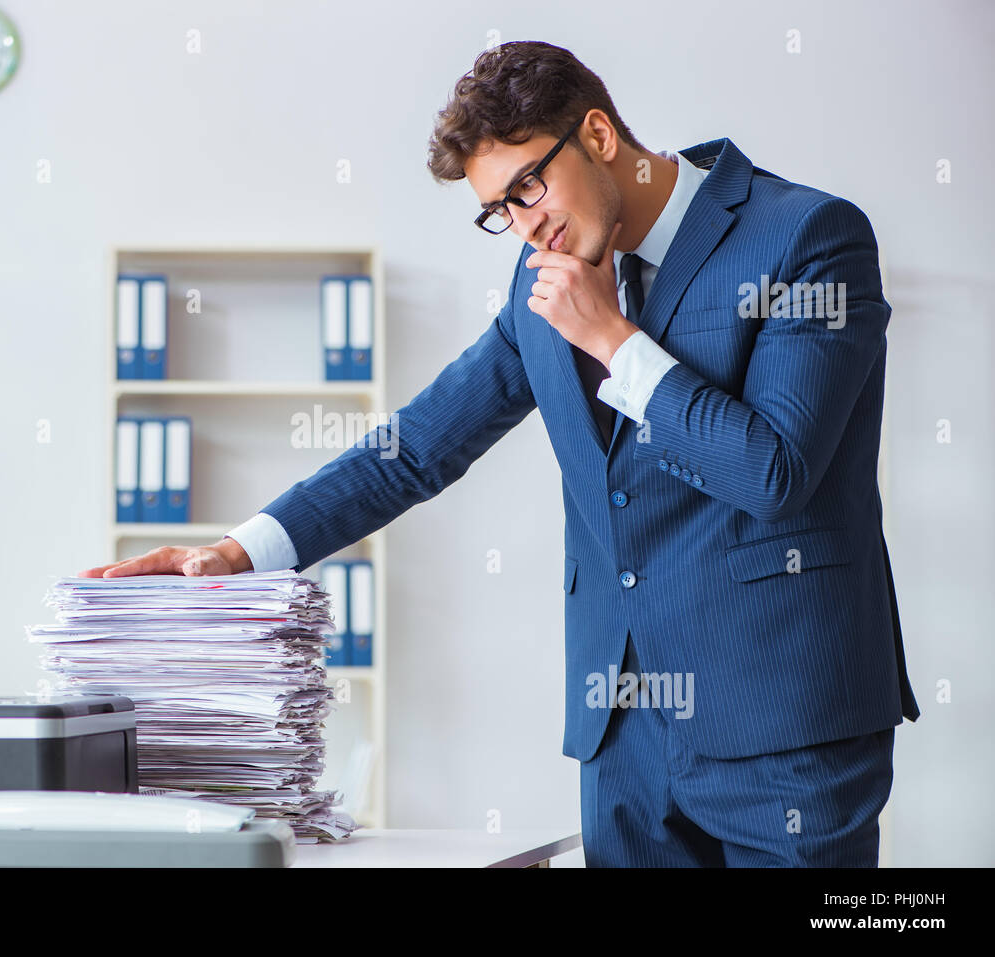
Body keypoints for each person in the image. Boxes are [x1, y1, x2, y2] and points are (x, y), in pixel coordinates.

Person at [80, 41, 919, 867]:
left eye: (530, 184)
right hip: (621, 735)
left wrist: (614, 340)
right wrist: (237, 554)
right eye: (502, 209)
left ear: (597, 135)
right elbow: (412, 449)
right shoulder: (540, 281)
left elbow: (775, 470)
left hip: (786, 723)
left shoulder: (807, 234)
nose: (528, 224)